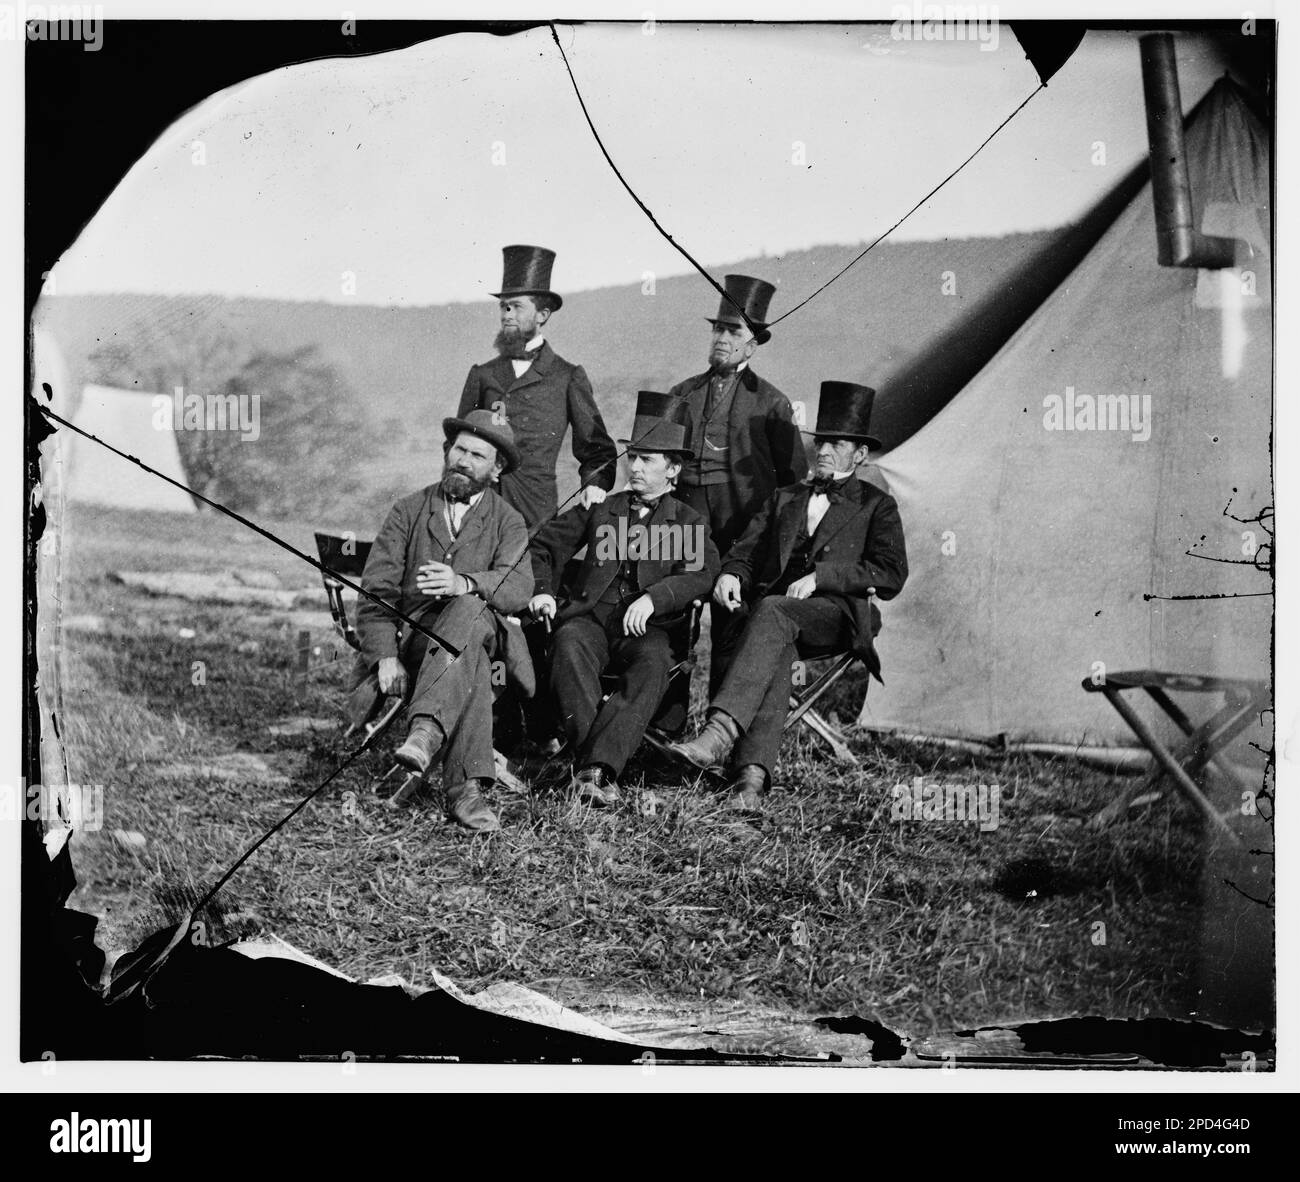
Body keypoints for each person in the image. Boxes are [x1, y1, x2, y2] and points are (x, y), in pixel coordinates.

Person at [667, 382, 908, 810]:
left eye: (838, 444)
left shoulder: (877, 505)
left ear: (861, 455)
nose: (825, 451)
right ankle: (750, 781)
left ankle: (717, 736)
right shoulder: (786, 497)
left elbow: (890, 574)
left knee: (773, 613)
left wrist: (823, 577)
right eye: (822, 442)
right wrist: (730, 575)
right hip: (777, 617)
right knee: (773, 631)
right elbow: (744, 552)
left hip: (839, 613)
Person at [528, 392, 720, 808]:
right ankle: (594, 767)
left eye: (647, 460)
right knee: (568, 642)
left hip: (647, 630)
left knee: (653, 665)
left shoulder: (687, 521)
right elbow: (541, 546)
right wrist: (543, 591)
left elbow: (703, 574)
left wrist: (654, 598)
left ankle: (591, 768)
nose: (633, 467)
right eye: (632, 456)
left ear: (673, 468)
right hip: (591, 620)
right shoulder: (602, 509)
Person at [348, 410, 534, 832]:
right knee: (474, 664)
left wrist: (463, 582)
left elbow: (518, 587)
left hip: (483, 634)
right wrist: (384, 657)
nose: (463, 461)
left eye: (477, 456)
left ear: (497, 468)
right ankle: (465, 793)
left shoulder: (508, 521)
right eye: (459, 450)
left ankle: (426, 733)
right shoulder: (409, 510)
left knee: (469, 608)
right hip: (416, 640)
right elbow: (377, 592)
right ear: (446, 451)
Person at [659, 273, 809, 732]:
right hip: (684, 519)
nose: (722, 339)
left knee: (731, 621)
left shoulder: (772, 404)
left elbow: (793, 482)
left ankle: (716, 735)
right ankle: (664, 726)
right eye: (718, 329)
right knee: (670, 614)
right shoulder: (682, 394)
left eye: (734, 332)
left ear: (753, 344)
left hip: (742, 527)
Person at [457, 244, 617, 528]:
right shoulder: (482, 374)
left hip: (534, 512)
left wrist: (595, 484)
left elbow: (597, 448)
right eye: (503, 306)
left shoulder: (567, 376)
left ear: (542, 315)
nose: (507, 314)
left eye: (517, 306)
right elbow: (457, 441)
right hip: (478, 507)